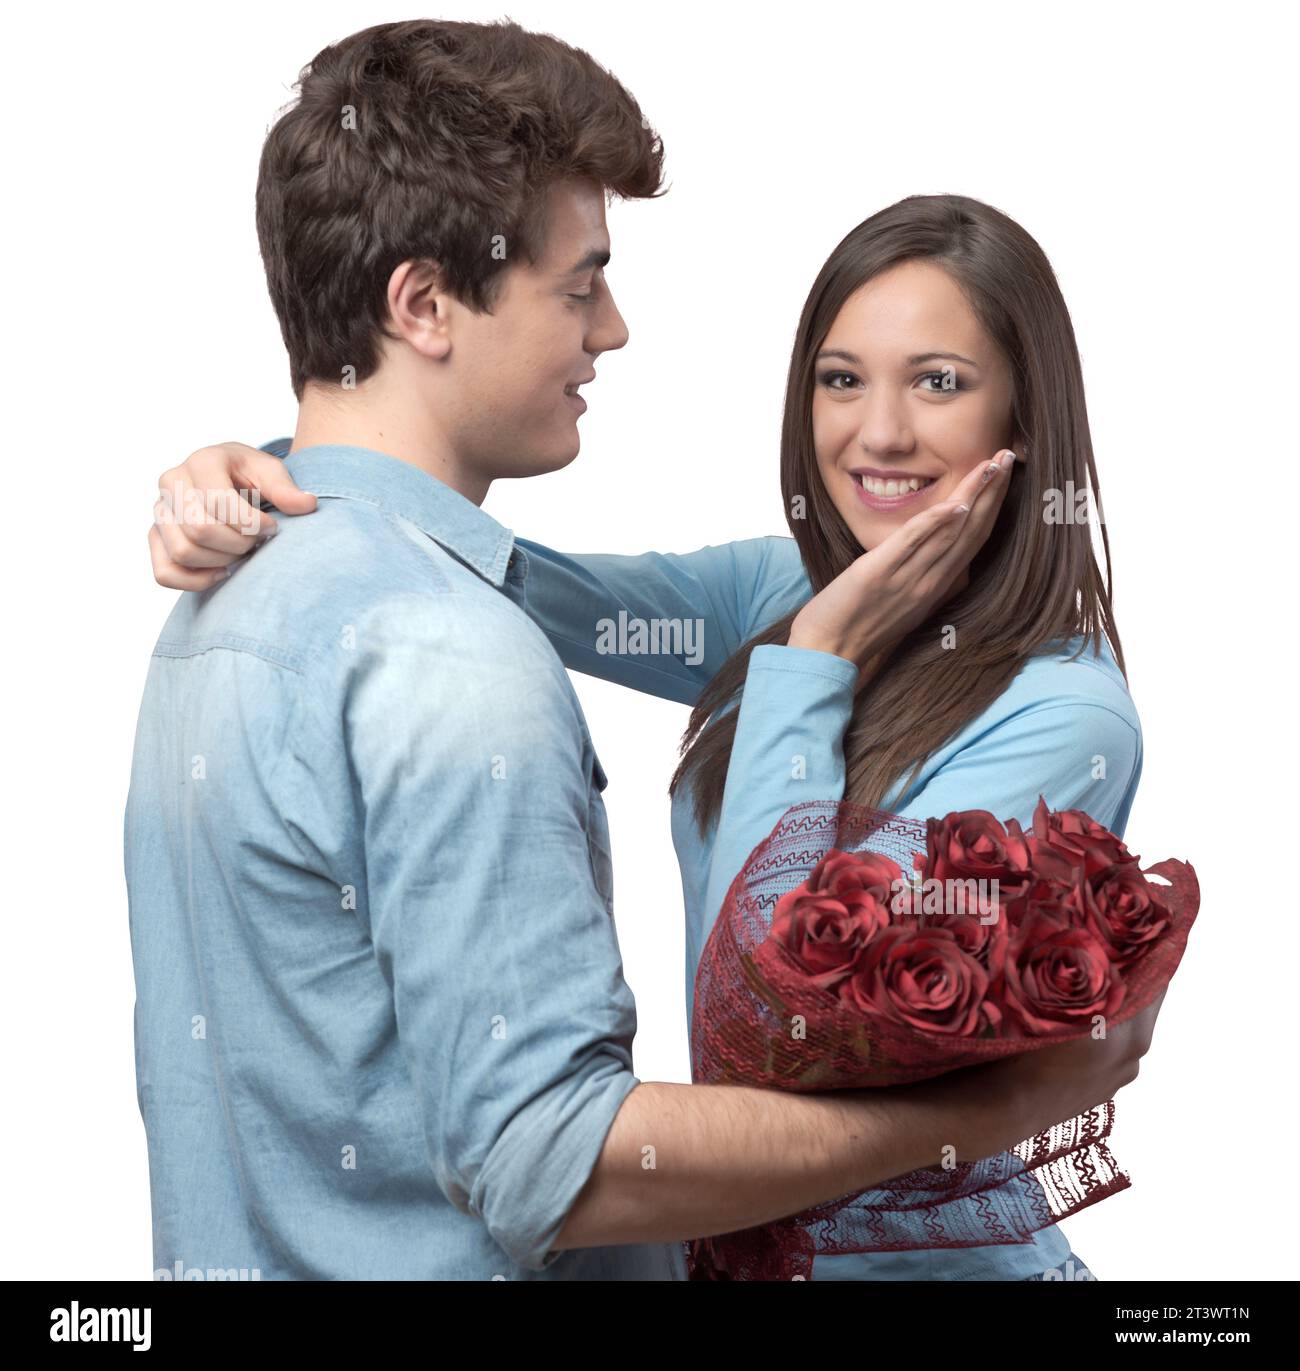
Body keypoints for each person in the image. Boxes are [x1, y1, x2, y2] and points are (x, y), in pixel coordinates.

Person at [138, 19, 1159, 1281]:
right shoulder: (772, 595)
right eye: (840, 379)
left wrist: (811, 666)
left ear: (1025, 409)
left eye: (939, 382)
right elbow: (508, 577)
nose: (878, 432)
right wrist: (271, 473)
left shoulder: (1061, 716)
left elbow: (777, 994)